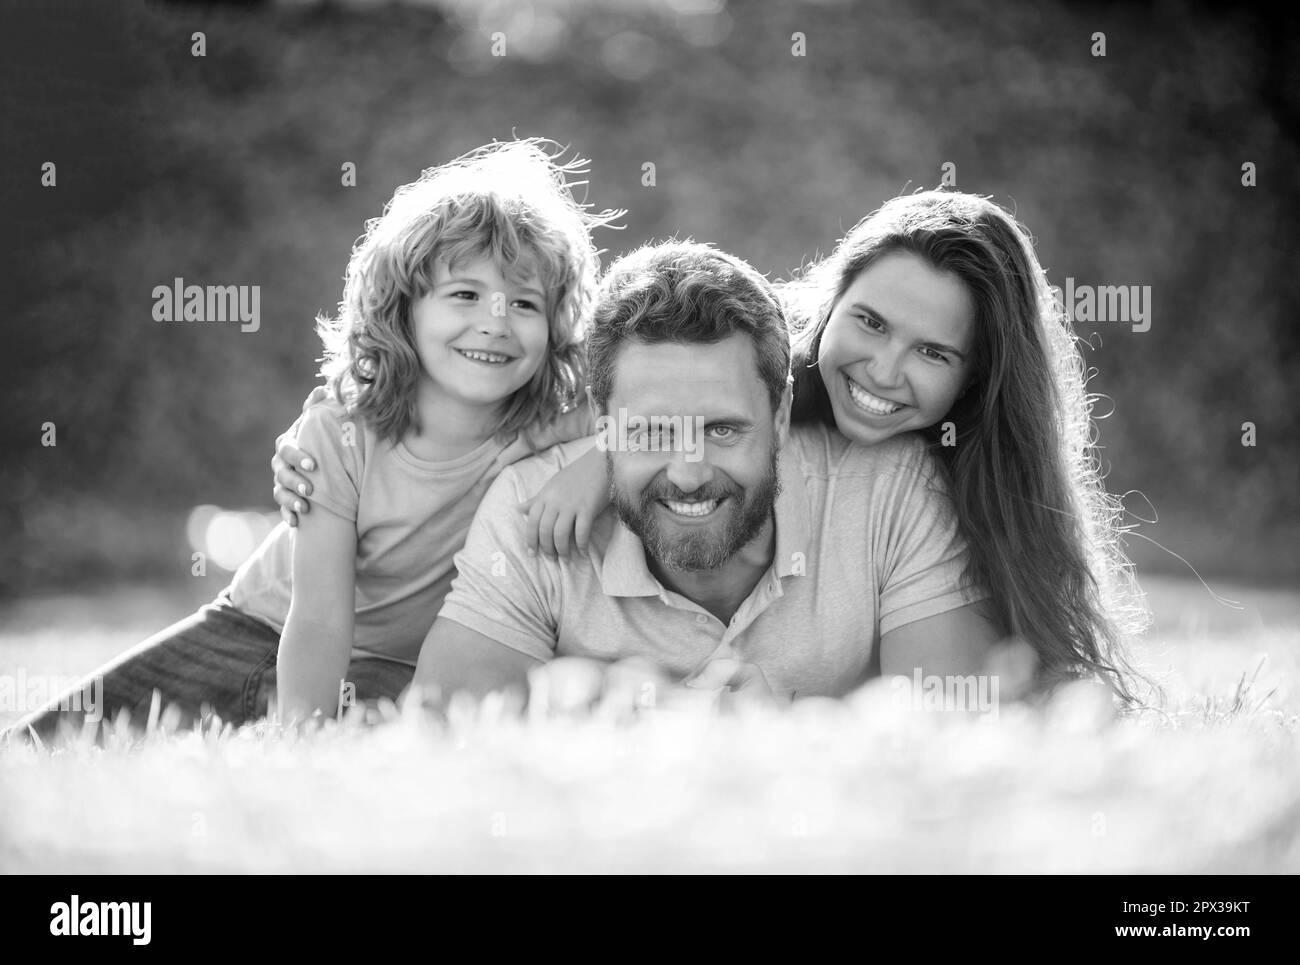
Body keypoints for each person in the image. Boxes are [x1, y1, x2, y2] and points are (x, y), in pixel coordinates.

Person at [7, 139, 619, 742]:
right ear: (404, 308)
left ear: (556, 323)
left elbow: (660, 424)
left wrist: (600, 465)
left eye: (525, 303)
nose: (495, 321)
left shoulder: (548, 419)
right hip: (257, 626)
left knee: (401, 742)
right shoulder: (342, 433)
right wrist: (303, 736)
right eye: (465, 294)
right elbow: (321, 618)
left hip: (391, 666)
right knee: (48, 741)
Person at [448, 191, 1148, 703]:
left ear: (976, 379)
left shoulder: (920, 478)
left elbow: (946, 726)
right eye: (869, 322)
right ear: (829, 304)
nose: (881, 371)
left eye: (933, 351)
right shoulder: (750, 355)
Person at [408, 240, 1003, 705]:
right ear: (601, 422)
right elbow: (446, 744)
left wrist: (788, 744)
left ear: (782, 413)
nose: (689, 475)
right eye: (653, 432)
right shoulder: (530, 509)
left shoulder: (892, 491)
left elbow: (955, 739)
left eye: (722, 430)